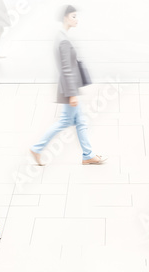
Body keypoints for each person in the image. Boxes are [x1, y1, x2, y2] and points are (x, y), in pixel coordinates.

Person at [29, 5, 107, 166]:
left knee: (81, 121)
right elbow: (66, 68)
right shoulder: (63, 40)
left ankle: (88, 154)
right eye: (73, 16)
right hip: (69, 89)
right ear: (65, 18)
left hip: (69, 87)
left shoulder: (61, 36)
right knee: (65, 122)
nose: (76, 19)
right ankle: (37, 148)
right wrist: (72, 94)